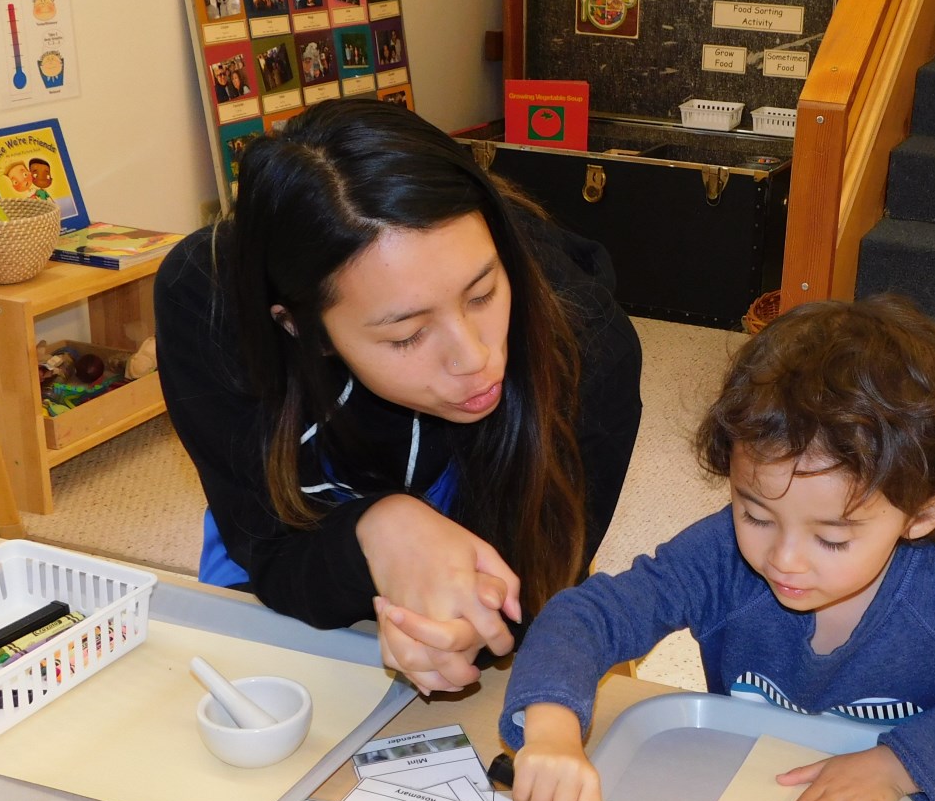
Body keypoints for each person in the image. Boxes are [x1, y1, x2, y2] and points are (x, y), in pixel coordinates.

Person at [498, 296, 935, 801]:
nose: (784, 559)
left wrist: (897, 766)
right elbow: (588, 616)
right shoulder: (721, 555)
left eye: (832, 537)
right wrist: (550, 729)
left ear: (923, 512)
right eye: (755, 513)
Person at [155, 99, 643, 695]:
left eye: (483, 293)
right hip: (304, 533)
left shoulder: (589, 347)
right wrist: (378, 529)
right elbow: (271, 552)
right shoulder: (207, 303)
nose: (474, 357)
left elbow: (540, 571)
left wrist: (472, 621)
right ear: (299, 328)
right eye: (408, 334)